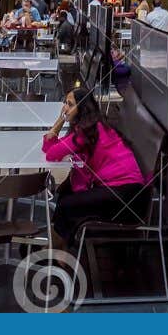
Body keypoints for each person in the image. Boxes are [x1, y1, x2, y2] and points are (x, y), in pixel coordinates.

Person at [41, 86, 148, 247]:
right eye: (65, 103)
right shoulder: (92, 126)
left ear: (82, 108)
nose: (65, 108)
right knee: (65, 193)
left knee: (66, 204)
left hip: (126, 195)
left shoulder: (86, 131)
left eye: (70, 104)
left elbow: (51, 153)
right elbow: (50, 148)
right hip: (123, 191)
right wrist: (62, 119)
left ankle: (57, 251)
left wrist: (60, 120)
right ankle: (58, 247)